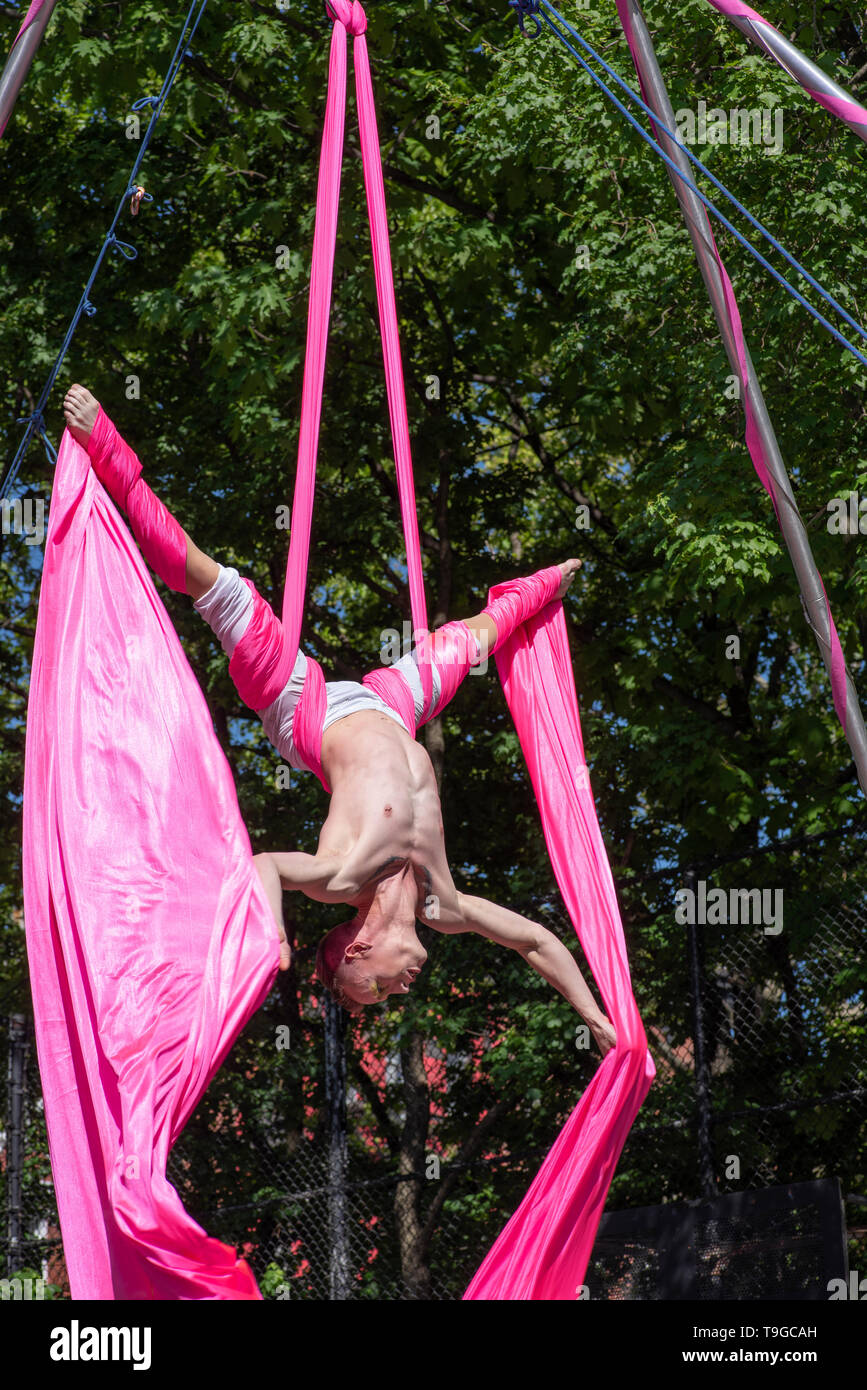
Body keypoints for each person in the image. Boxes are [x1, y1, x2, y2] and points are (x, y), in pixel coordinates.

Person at [63, 383, 616, 1056]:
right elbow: (533, 939)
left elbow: (265, 866)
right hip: (389, 710)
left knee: (212, 584)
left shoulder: (341, 879)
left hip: (303, 711)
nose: (400, 990)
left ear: (356, 948)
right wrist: (594, 1016)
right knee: (469, 643)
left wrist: (270, 939)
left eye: (374, 988)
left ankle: (108, 448)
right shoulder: (443, 907)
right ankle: (542, 584)